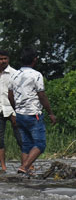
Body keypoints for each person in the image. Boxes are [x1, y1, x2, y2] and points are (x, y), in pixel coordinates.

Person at [7, 47, 56, 176]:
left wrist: (16, 109)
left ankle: (26, 171)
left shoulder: (15, 75)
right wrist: (50, 113)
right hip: (34, 114)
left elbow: (10, 95)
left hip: (20, 114)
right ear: (35, 60)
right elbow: (42, 96)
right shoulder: (36, 75)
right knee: (40, 144)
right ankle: (24, 167)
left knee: (27, 144)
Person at [0, 49, 23, 173]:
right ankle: (3, 167)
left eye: (5, 58)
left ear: (8, 59)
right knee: (0, 140)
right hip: (0, 109)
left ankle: (26, 164)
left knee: (20, 138)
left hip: (12, 110)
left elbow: (19, 94)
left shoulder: (15, 73)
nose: (3, 61)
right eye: (1, 58)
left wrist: (16, 112)